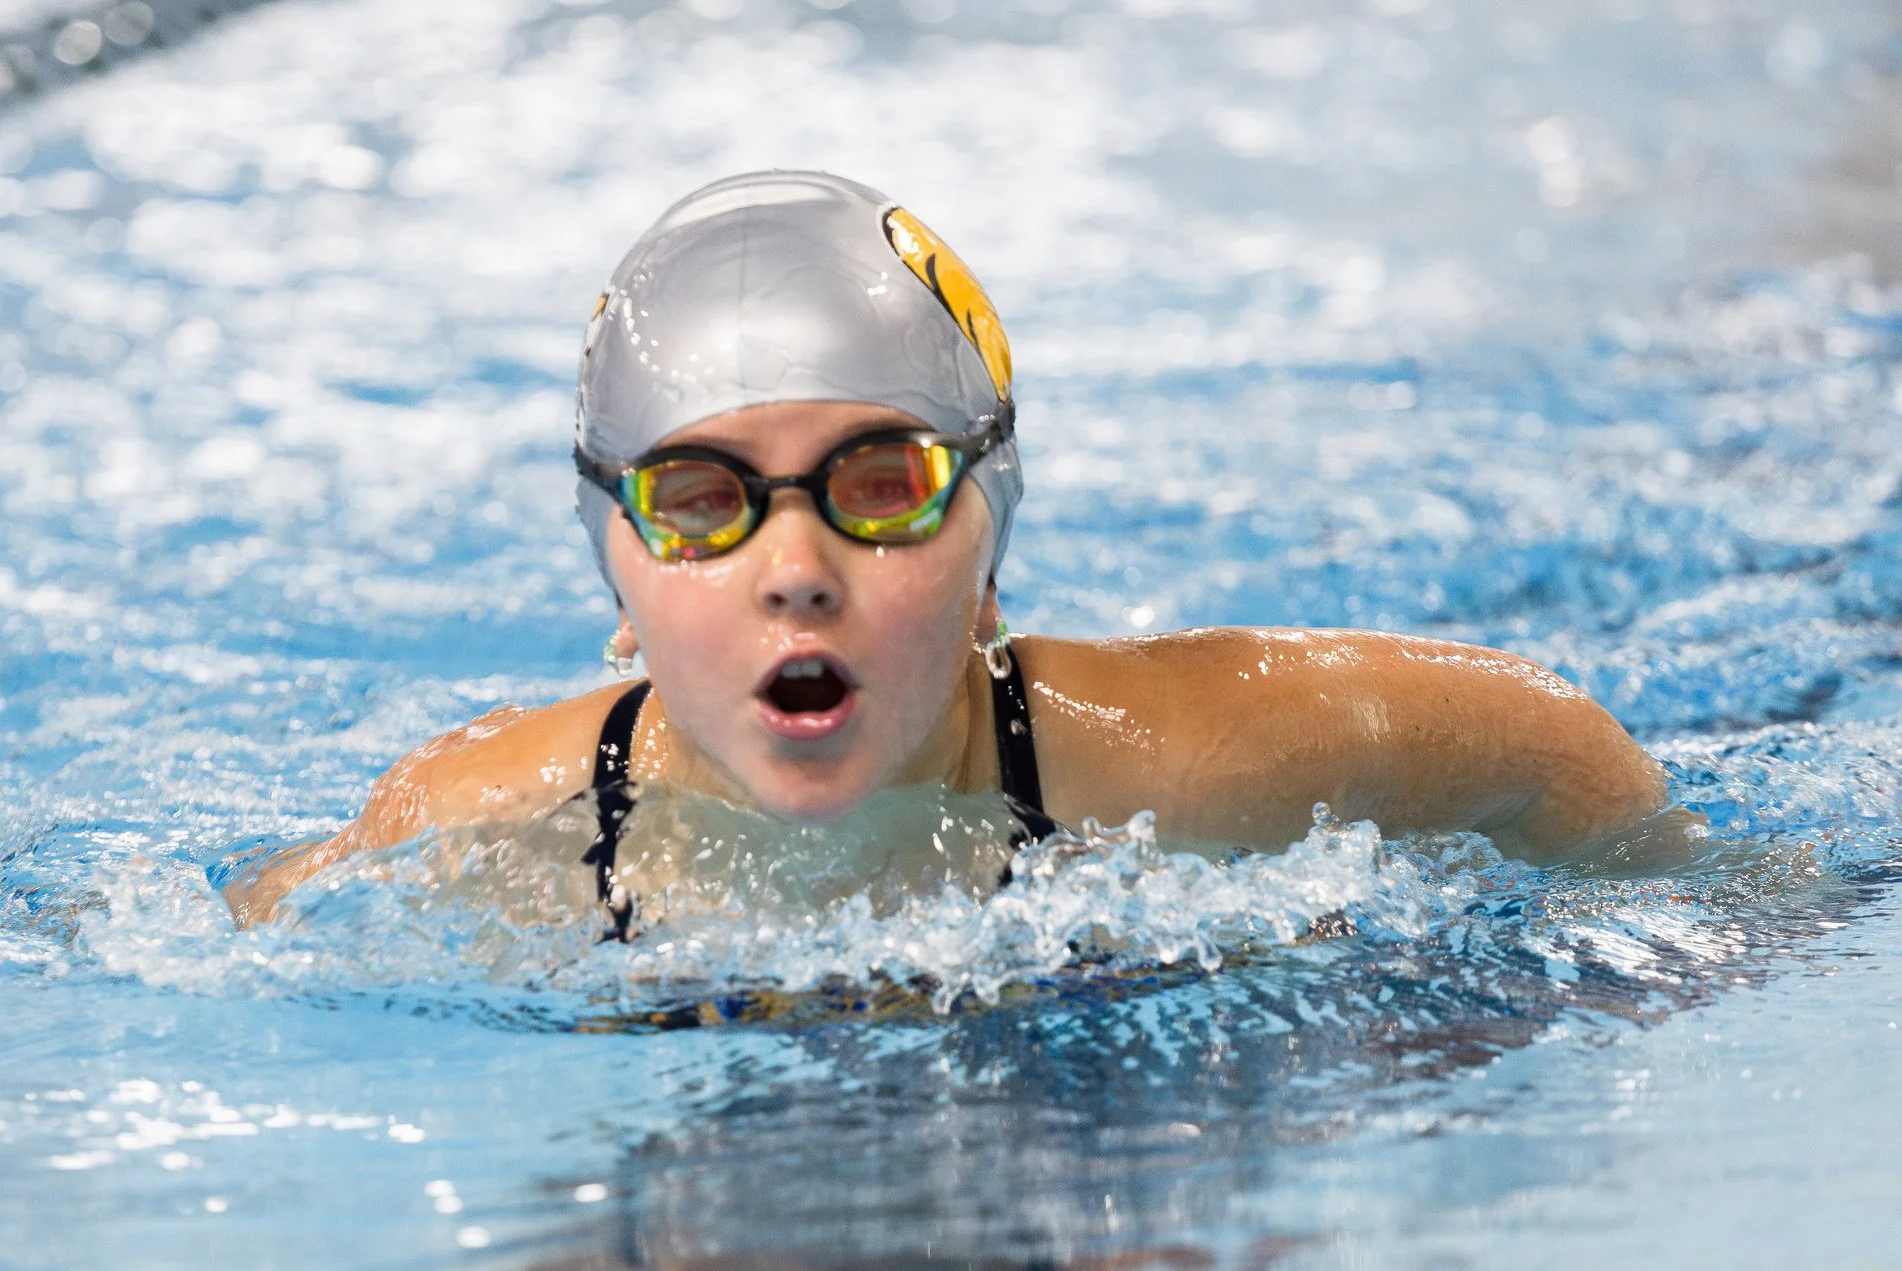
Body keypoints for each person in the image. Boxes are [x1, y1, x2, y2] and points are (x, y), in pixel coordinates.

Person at [225, 170, 1673, 932]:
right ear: (617, 576)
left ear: (990, 548)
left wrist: (1672, 938)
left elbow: (1548, 745)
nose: (795, 564)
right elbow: (236, 927)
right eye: (702, 503)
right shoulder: (487, 825)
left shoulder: (1178, 765)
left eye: (879, 483)